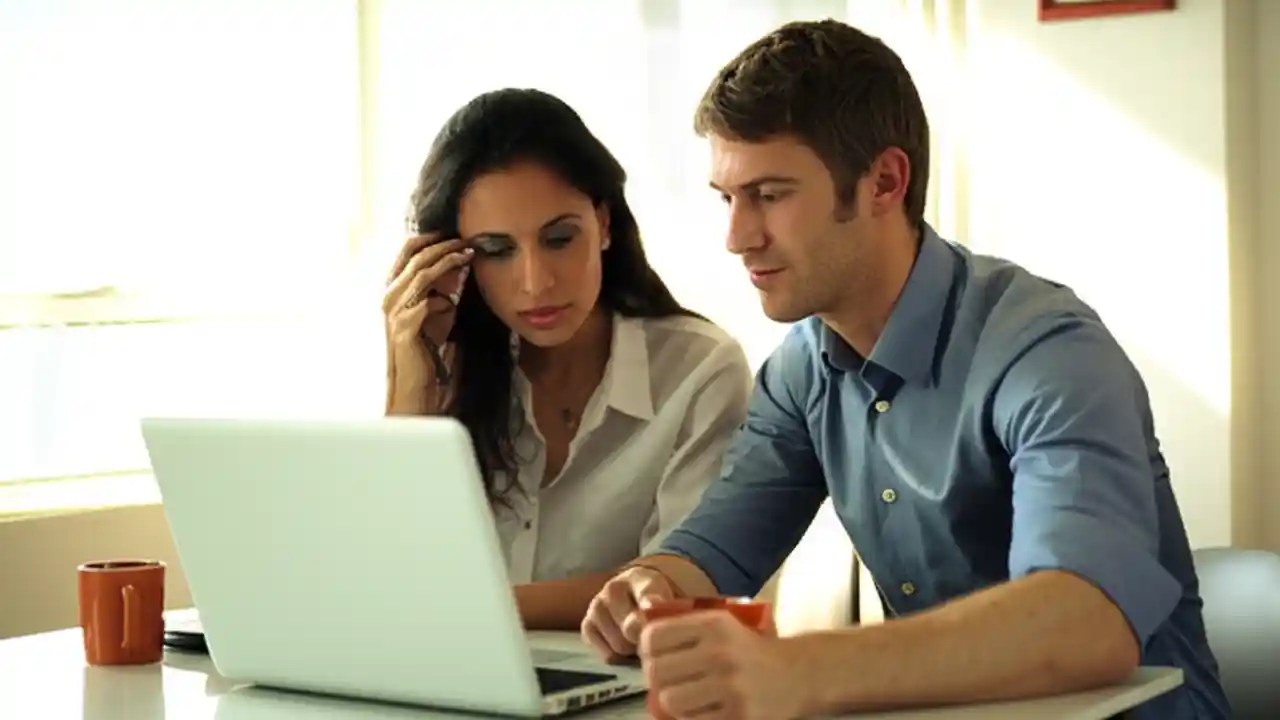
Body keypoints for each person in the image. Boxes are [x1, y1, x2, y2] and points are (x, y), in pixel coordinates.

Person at [580, 19, 1229, 720]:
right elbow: (711, 554)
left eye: (770, 195)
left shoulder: (1048, 351)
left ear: (885, 181)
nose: (738, 237)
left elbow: (1085, 621)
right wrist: (648, 584)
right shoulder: (801, 369)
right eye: (727, 197)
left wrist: (798, 668)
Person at [383, 88, 752, 630]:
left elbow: (684, 584)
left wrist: (472, 610)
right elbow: (390, 575)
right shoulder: (449, 369)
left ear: (603, 224)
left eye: (559, 238)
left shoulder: (699, 372)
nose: (536, 282)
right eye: (495, 250)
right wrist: (409, 387)